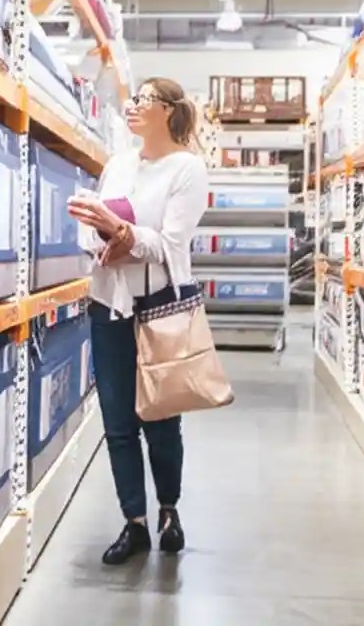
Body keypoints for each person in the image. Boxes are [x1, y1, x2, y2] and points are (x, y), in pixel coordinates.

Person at [67, 77, 210, 566]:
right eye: (134, 98)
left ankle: (169, 510)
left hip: (157, 309)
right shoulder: (117, 165)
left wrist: (126, 233)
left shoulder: (187, 169)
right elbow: (94, 230)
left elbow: (171, 245)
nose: (133, 106)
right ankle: (135, 523)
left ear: (169, 111)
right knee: (118, 422)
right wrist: (100, 238)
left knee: (161, 418)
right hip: (109, 303)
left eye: (145, 99)